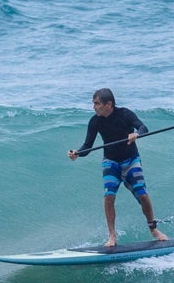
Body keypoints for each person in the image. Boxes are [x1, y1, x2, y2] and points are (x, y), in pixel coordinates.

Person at [67, 87, 167, 248]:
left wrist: (136, 134)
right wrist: (77, 153)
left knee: (142, 195)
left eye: (97, 103)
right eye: (93, 103)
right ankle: (112, 236)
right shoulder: (95, 121)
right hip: (110, 162)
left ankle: (153, 229)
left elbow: (143, 128)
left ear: (109, 104)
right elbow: (87, 146)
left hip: (131, 160)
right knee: (109, 197)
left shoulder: (125, 114)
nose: (94, 107)